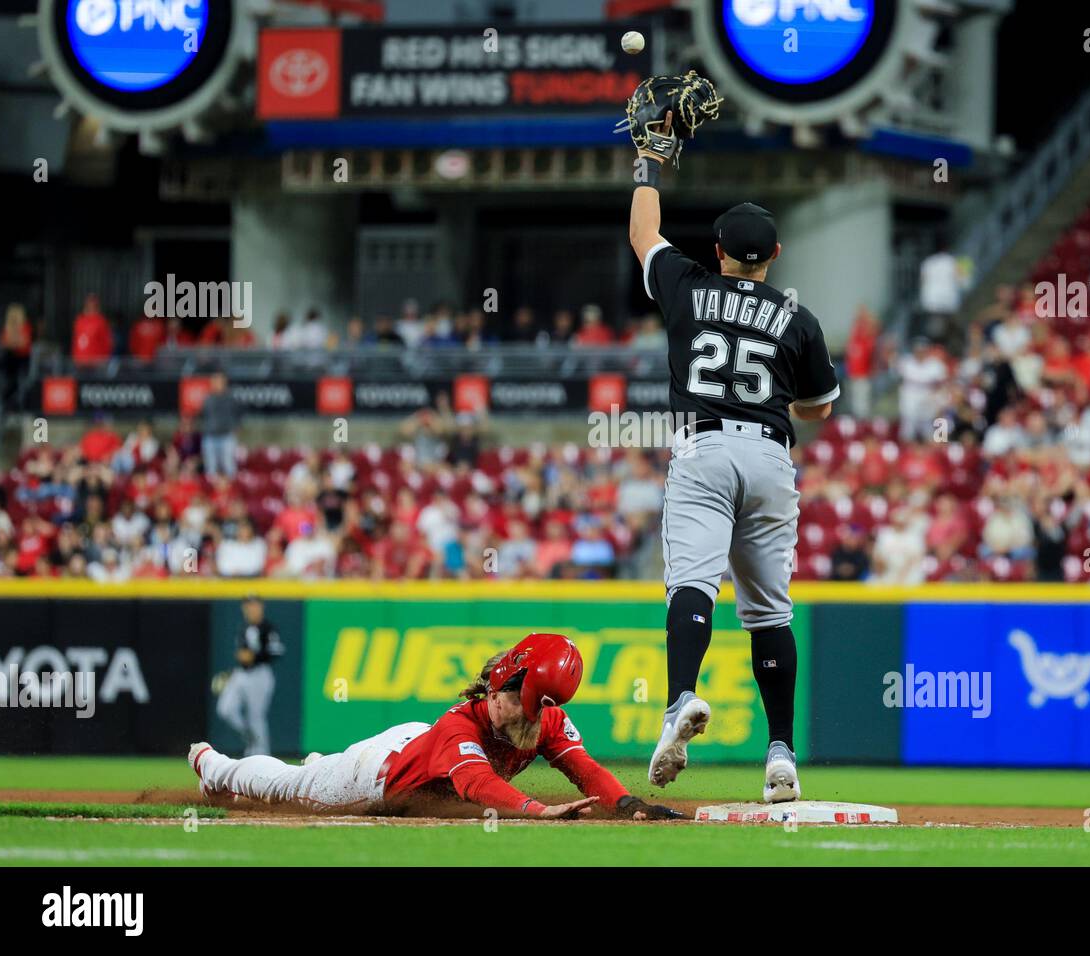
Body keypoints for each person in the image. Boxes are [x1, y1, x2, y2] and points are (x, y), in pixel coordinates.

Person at [629, 112, 839, 803]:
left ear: (717, 250)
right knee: (770, 613)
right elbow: (819, 410)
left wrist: (650, 157)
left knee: (691, 584)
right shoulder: (796, 317)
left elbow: (643, 234)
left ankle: (681, 698)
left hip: (706, 447)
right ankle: (781, 756)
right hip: (772, 459)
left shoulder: (687, 288)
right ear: (774, 254)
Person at [189, 633, 682, 820]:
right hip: (376, 777)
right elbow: (475, 782)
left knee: (312, 771)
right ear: (497, 691)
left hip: (415, 742)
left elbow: (584, 767)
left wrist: (627, 804)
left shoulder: (543, 718)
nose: (535, 718)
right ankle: (215, 765)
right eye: (527, 704)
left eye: (541, 707)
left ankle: (320, 763)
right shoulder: (460, 726)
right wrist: (535, 809)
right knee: (286, 786)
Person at [215, 595, 284, 756]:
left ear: (261, 607)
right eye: (248, 606)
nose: (251, 609)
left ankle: (261, 755)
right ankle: (251, 738)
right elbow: (241, 654)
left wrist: (255, 656)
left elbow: (277, 651)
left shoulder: (268, 627)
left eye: (254, 605)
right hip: (241, 673)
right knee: (225, 709)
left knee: (256, 717)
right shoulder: (244, 627)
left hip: (260, 674)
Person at [199, 371, 239, 478]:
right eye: (214, 381)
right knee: (211, 468)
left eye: (219, 381)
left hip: (226, 436)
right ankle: (212, 492)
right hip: (210, 436)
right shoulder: (208, 398)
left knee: (229, 466)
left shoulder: (231, 398)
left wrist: (236, 426)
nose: (216, 384)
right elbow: (203, 415)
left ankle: (231, 490)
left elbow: (239, 413)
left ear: (224, 382)